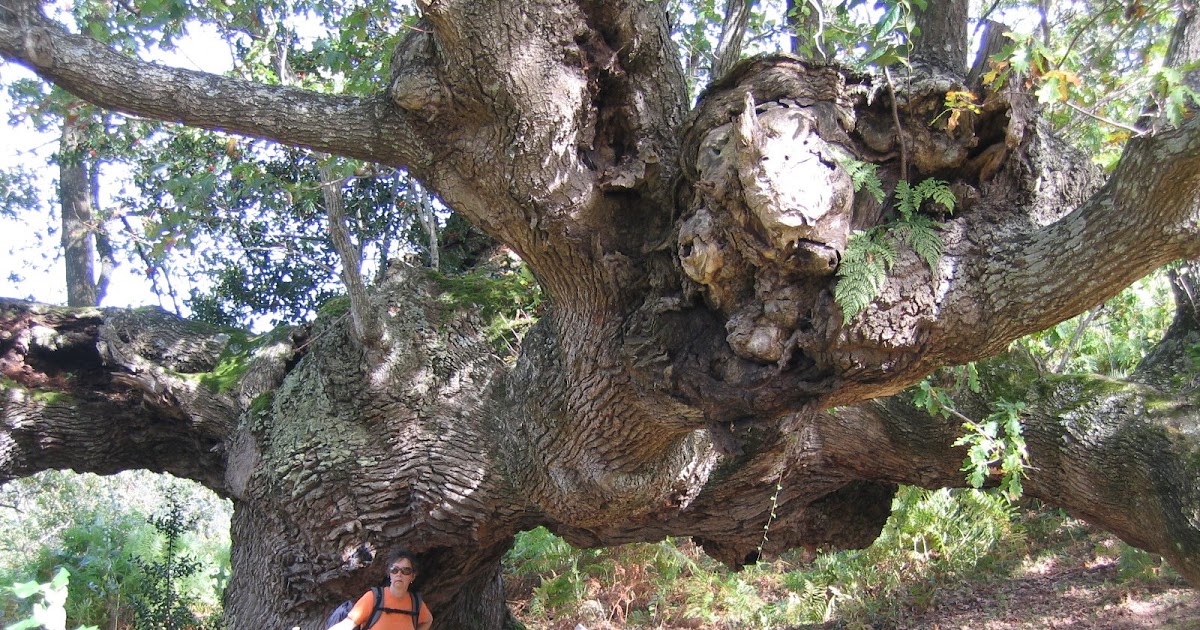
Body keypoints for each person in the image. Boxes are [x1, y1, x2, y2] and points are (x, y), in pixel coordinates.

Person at [329, 549, 433, 630]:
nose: (399, 574)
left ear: (412, 576)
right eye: (394, 570)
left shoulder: (415, 603)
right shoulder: (374, 598)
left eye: (405, 571)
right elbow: (349, 623)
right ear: (389, 574)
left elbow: (428, 620)